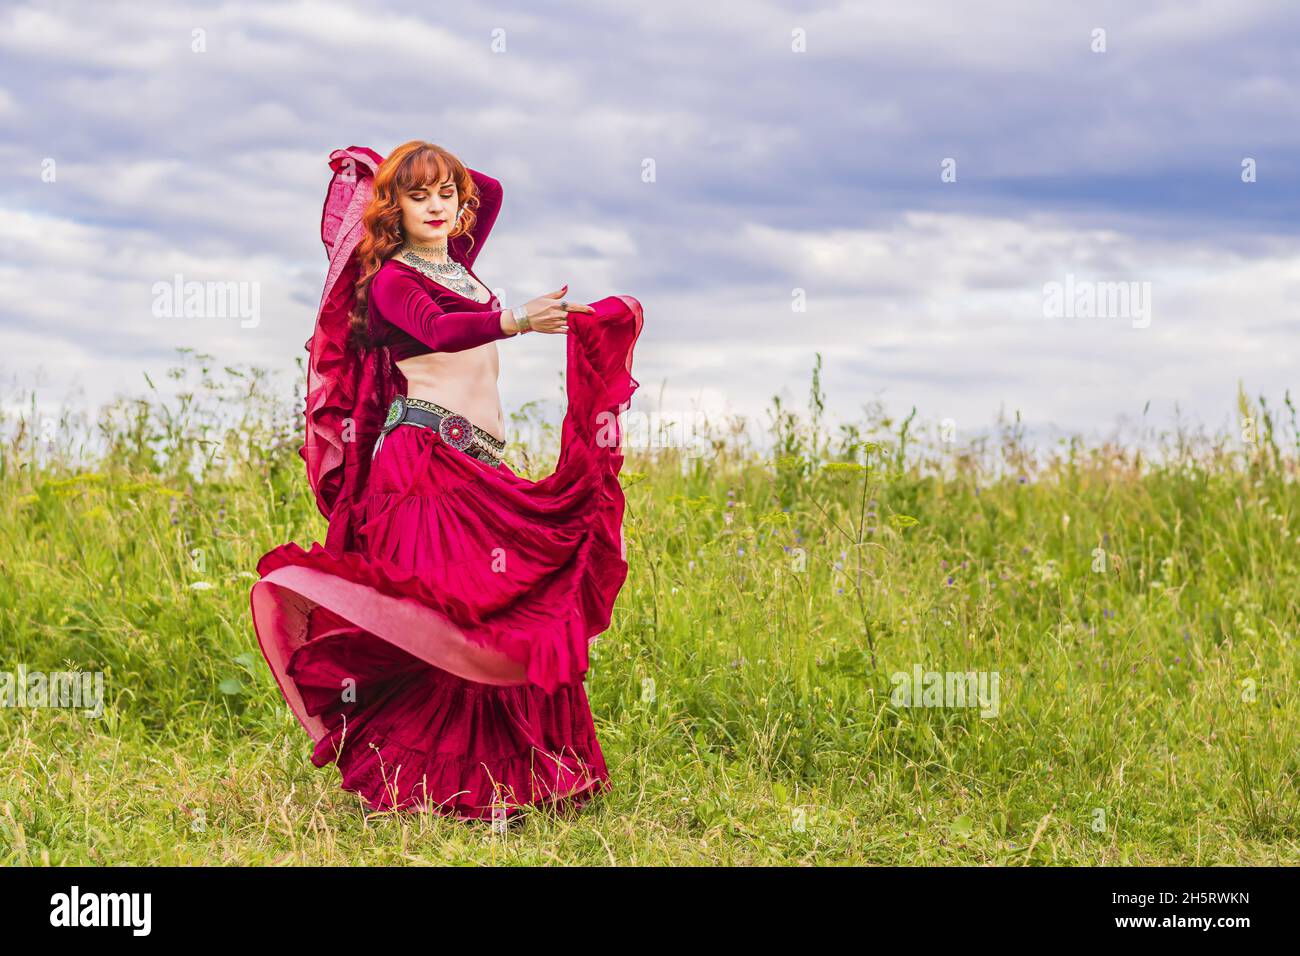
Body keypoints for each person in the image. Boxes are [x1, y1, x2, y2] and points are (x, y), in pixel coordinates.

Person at [249, 141, 644, 823]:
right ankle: (426, 791)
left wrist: (431, 174)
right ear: (393, 210)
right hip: (423, 465)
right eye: (416, 195)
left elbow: (486, 187)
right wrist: (517, 319)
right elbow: (441, 329)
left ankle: (520, 783)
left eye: (445, 195)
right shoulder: (396, 280)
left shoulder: (461, 272)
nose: (436, 206)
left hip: (478, 463)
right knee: (448, 622)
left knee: (501, 613)